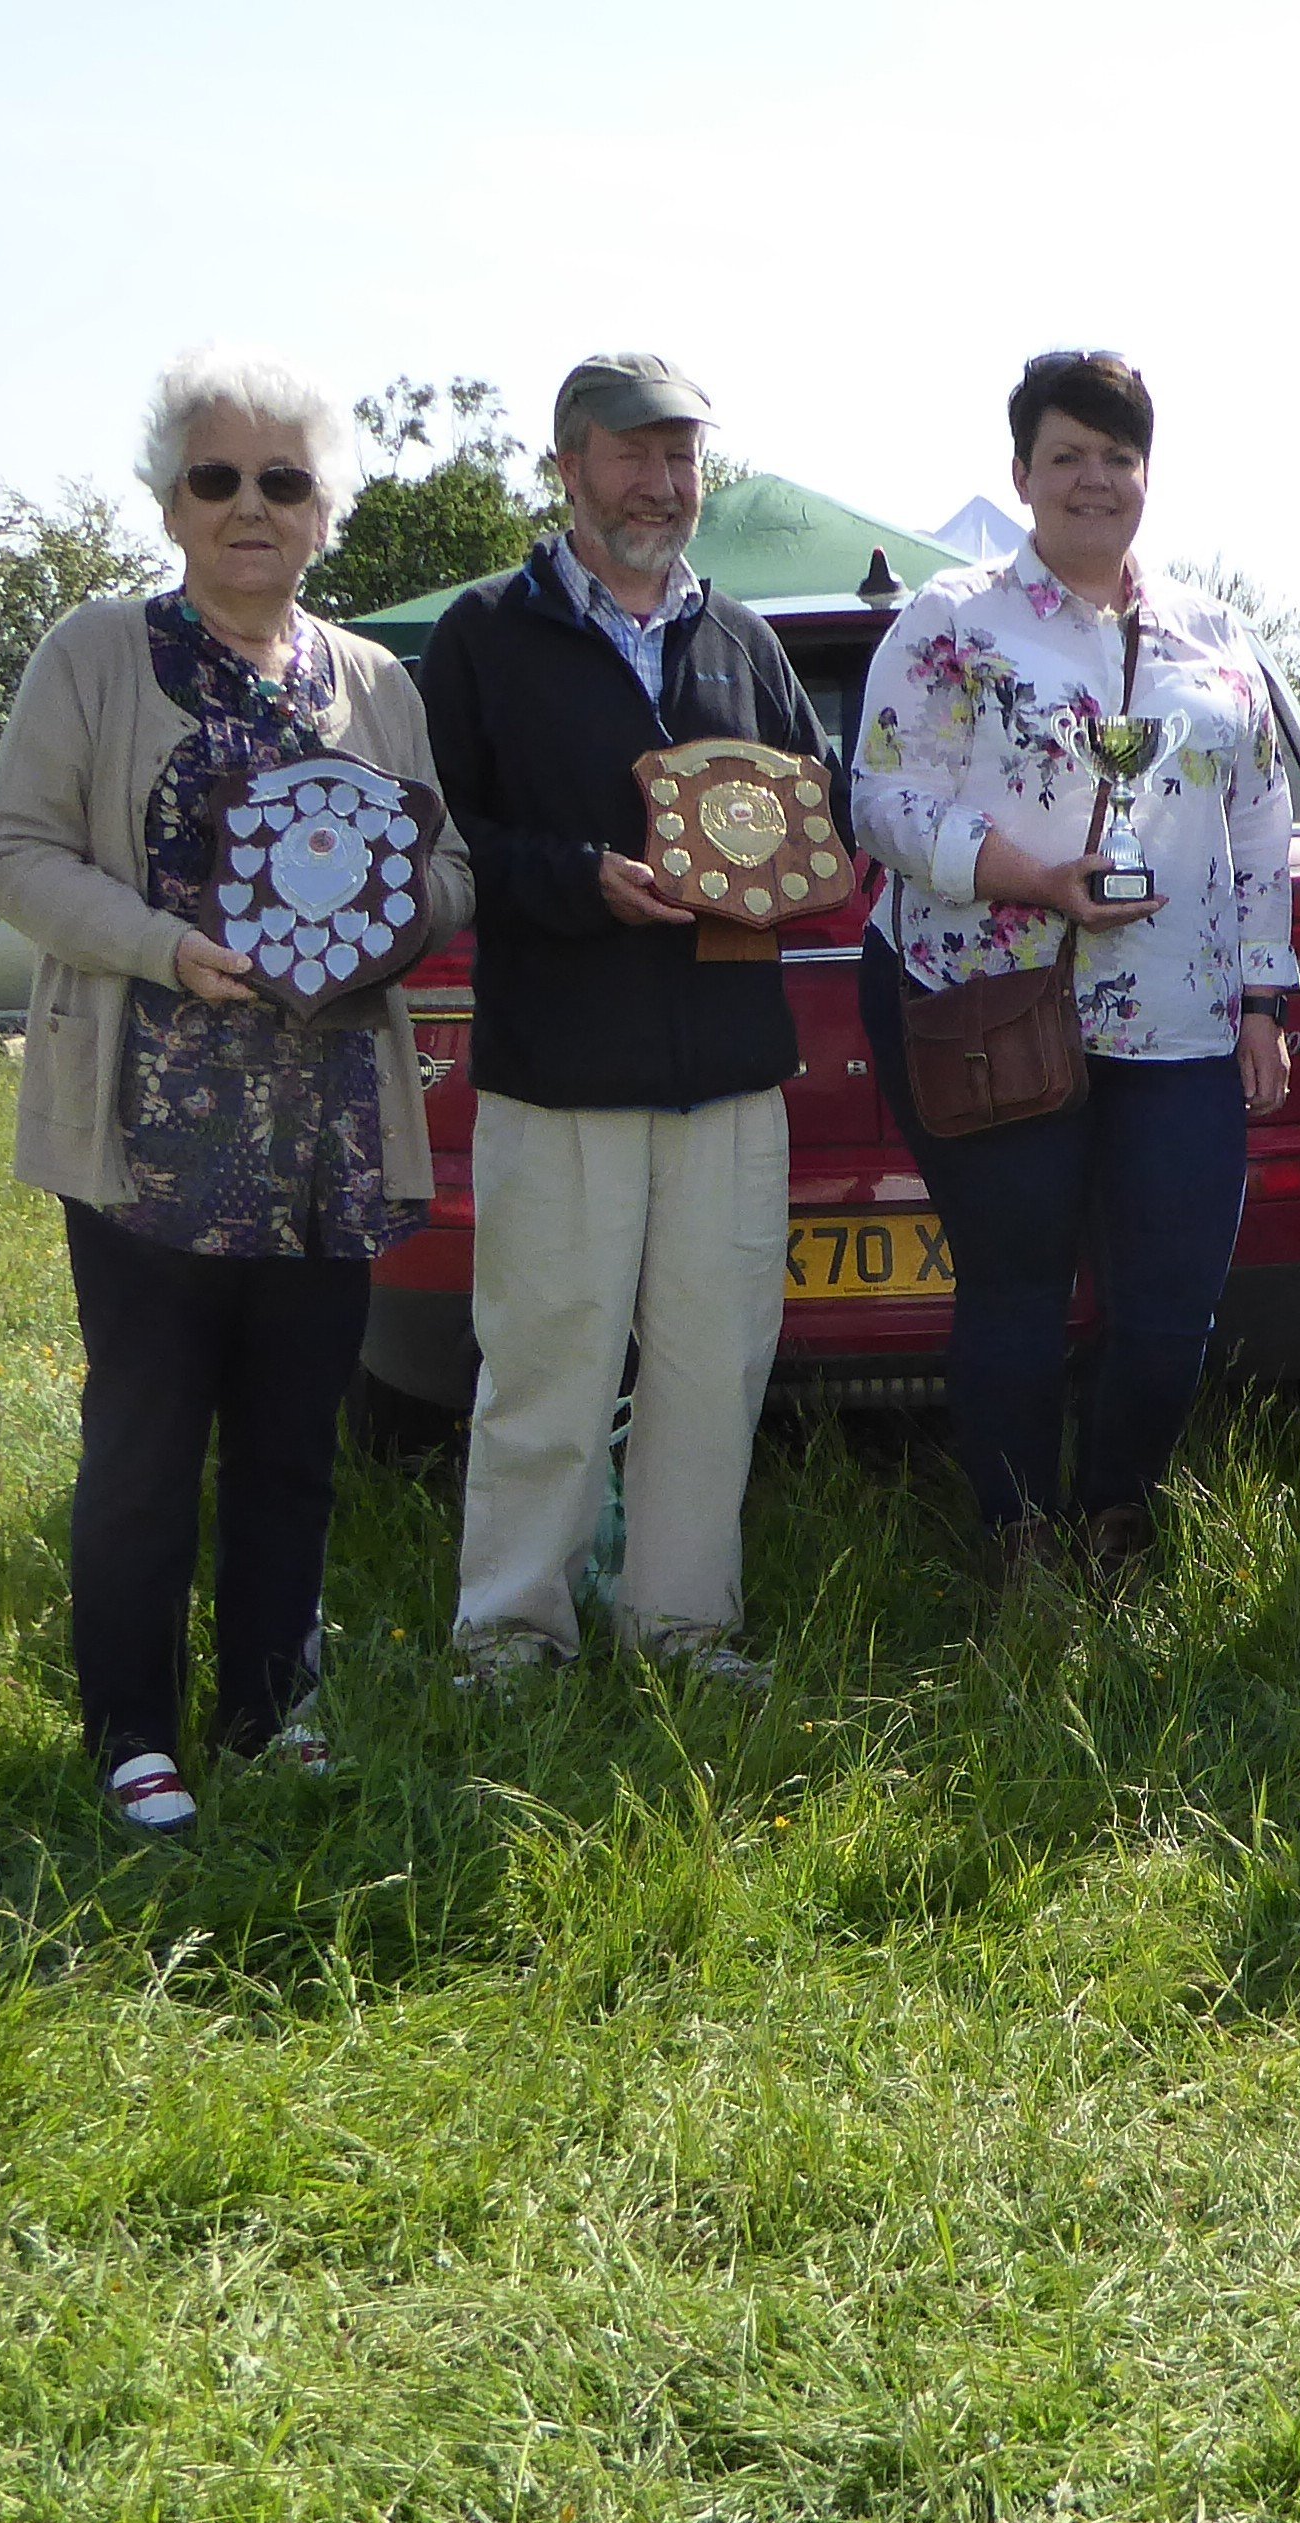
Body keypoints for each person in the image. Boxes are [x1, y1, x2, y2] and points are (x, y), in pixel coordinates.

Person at [0, 347, 473, 1838]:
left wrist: (406, 918)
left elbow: (440, 862)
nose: (250, 507)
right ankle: (134, 1729)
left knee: (288, 1438)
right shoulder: (95, 655)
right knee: (142, 1440)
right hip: (149, 1130)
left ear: (328, 512)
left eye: (284, 481)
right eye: (218, 479)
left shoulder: (374, 679)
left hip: (326, 1131)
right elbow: (14, 852)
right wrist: (165, 948)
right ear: (171, 503)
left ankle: (271, 1704)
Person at [850, 350, 1296, 1584]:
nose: (1094, 479)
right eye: (1067, 456)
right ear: (1021, 473)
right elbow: (880, 797)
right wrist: (1030, 879)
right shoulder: (951, 620)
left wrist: (1263, 997)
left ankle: (1115, 1515)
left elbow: (1257, 822)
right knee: (1017, 1289)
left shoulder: (1216, 635)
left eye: (1117, 456)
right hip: (989, 997)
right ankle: (1016, 1541)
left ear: (1146, 474)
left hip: (1180, 1016)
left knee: (1171, 1310)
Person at [419, 353, 828, 1684]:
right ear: (569, 466)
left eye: (682, 458)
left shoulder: (743, 640)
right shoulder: (486, 634)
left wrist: (800, 869)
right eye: (634, 455)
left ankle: (683, 1630)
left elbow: (798, 814)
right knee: (546, 1376)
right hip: (560, 1081)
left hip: (727, 1079)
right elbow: (442, 838)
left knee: (715, 1377)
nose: (662, 483)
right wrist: (578, 881)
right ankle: (510, 1636)